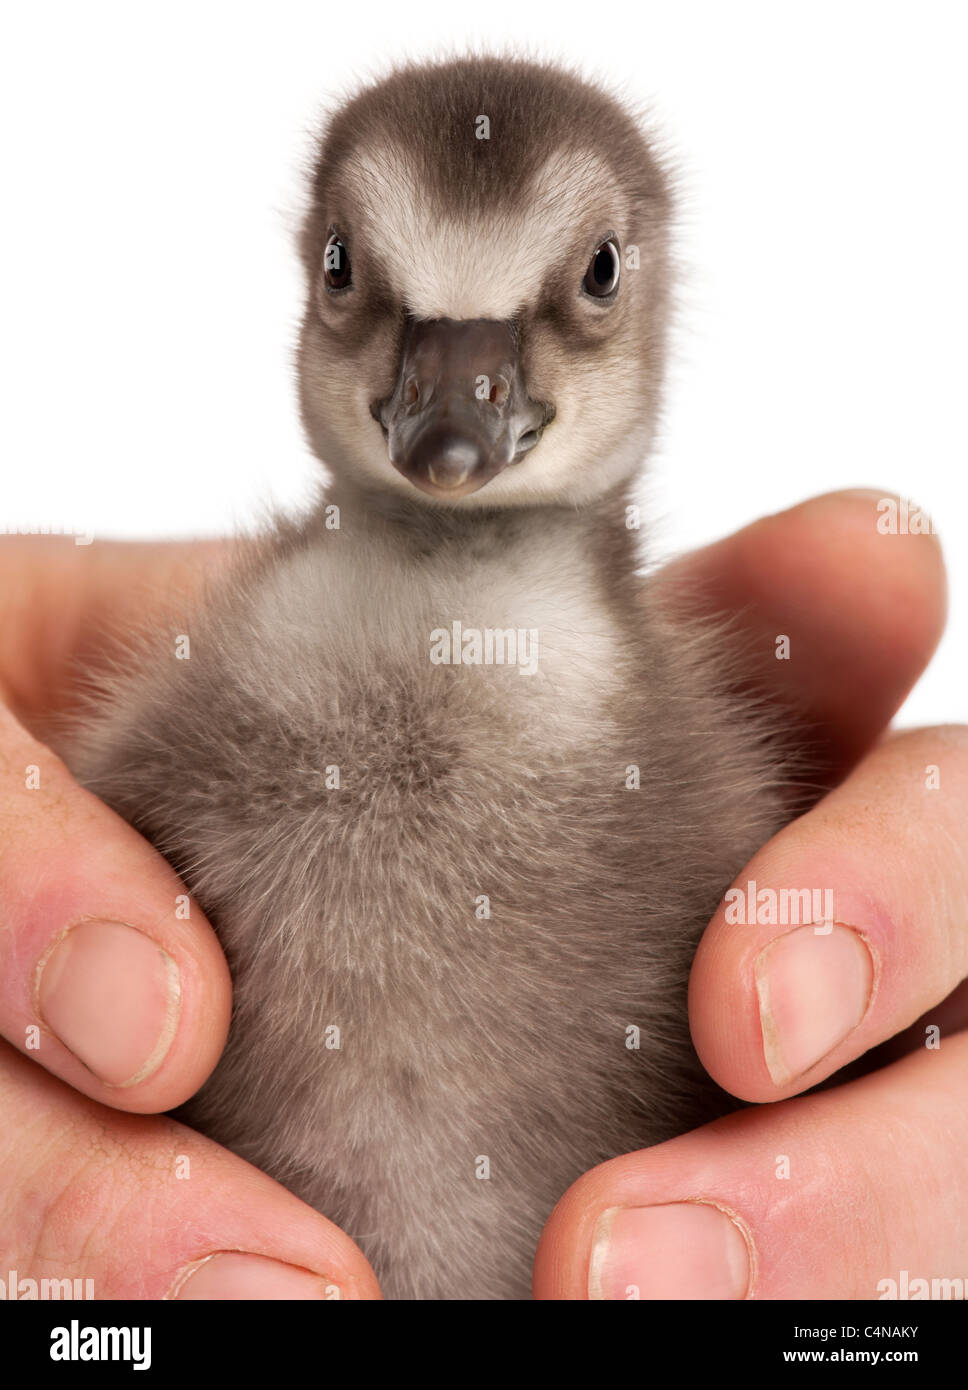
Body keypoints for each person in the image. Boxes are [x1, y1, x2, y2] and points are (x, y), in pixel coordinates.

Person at [0, 488, 963, 1300]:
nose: (459, 404)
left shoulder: (677, 775)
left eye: (586, 287)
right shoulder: (217, 692)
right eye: (353, 277)